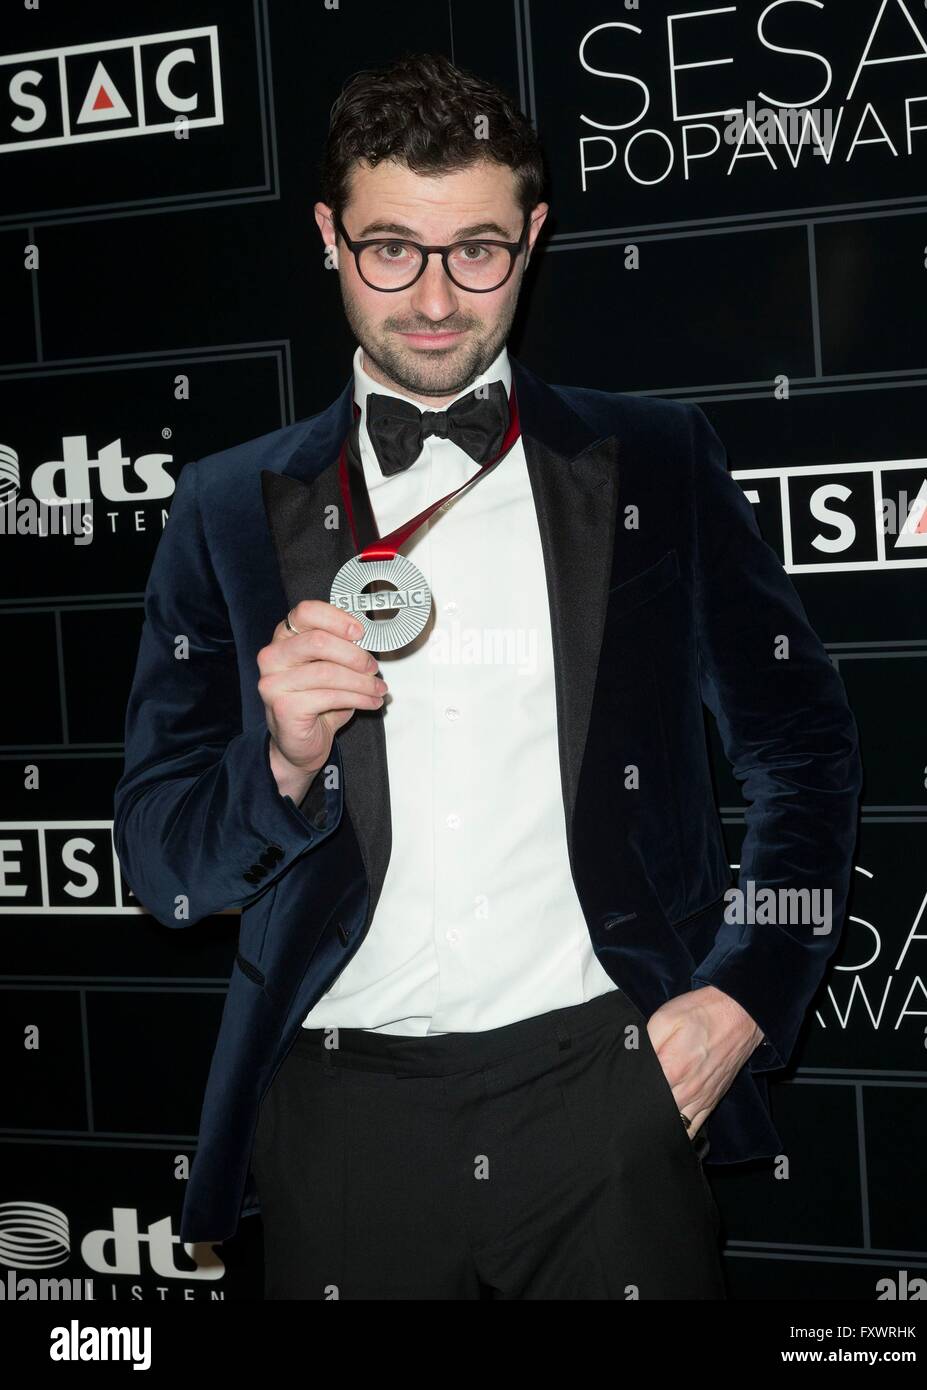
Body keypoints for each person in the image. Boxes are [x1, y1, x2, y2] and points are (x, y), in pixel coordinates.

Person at [113, 51, 863, 1300]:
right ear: (327, 236)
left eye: (480, 251)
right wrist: (284, 764)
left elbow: (805, 749)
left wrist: (748, 991)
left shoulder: (658, 462)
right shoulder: (226, 510)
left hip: (608, 1099)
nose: (435, 299)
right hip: (340, 1121)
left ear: (535, 235)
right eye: (390, 249)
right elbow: (161, 862)